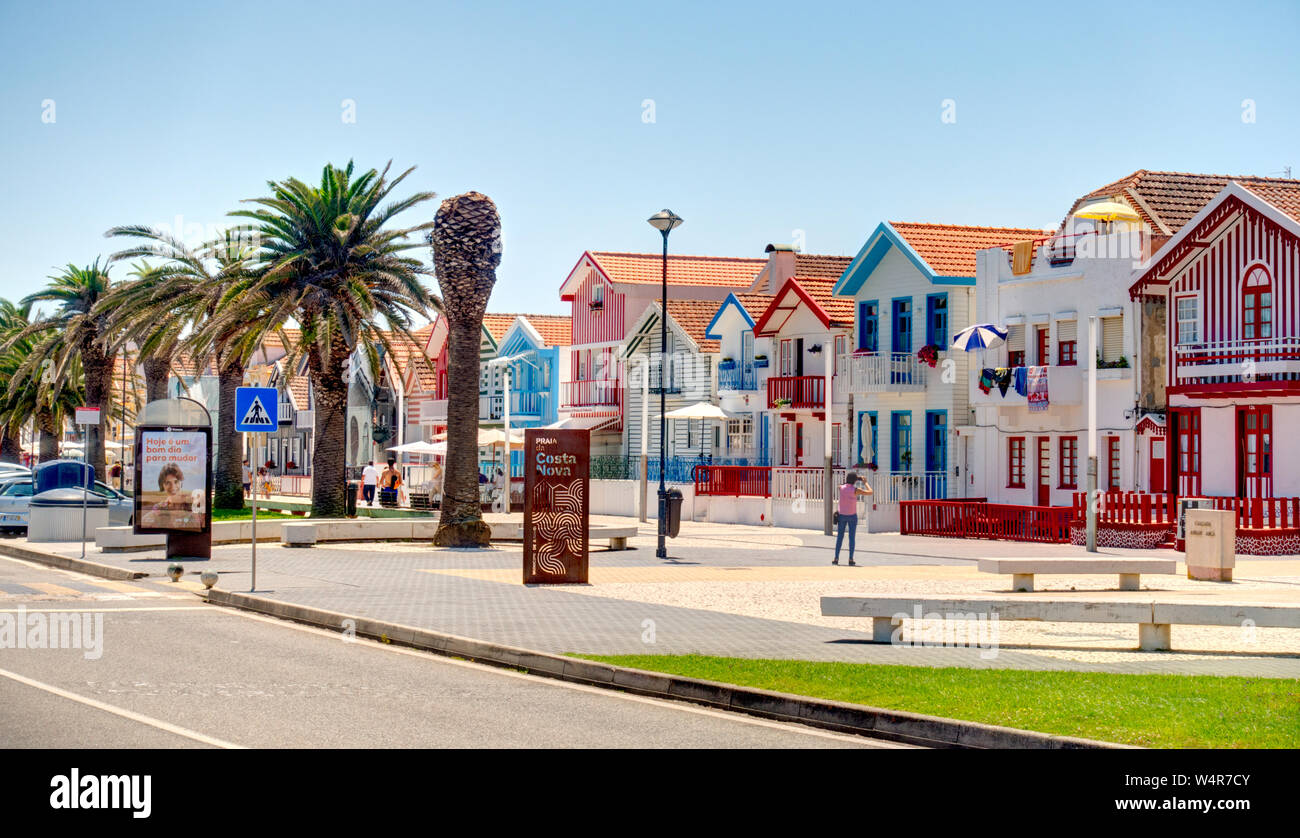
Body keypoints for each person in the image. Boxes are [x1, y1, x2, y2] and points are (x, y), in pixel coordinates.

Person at [832, 472, 873, 566]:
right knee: (851, 538)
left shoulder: (841, 488)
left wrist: (854, 478)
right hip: (852, 516)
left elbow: (843, 485)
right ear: (855, 480)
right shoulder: (856, 490)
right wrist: (865, 482)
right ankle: (850, 559)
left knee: (840, 537)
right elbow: (870, 492)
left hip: (841, 515)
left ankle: (836, 558)